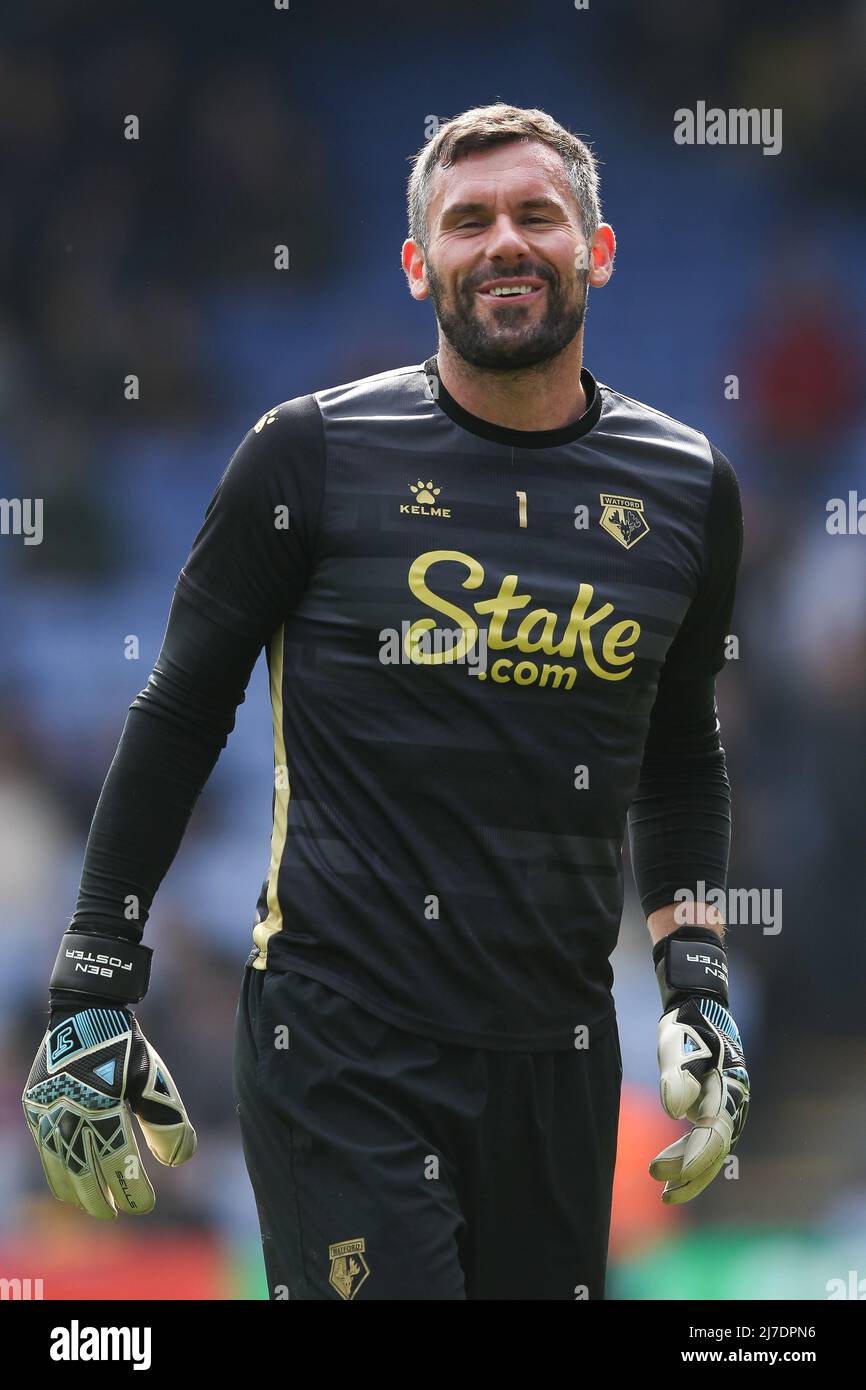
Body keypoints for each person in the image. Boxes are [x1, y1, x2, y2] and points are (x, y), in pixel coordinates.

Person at [23, 102, 749, 1301]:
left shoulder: (686, 486)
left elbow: (679, 754)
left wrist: (697, 988)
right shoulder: (305, 456)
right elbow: (177, 715)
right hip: (341, 1040)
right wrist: (91, 986)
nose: (501, 241)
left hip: (559, 1054)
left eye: (535, 214)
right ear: (419, 266)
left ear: (596, 249)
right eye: (465, 222)